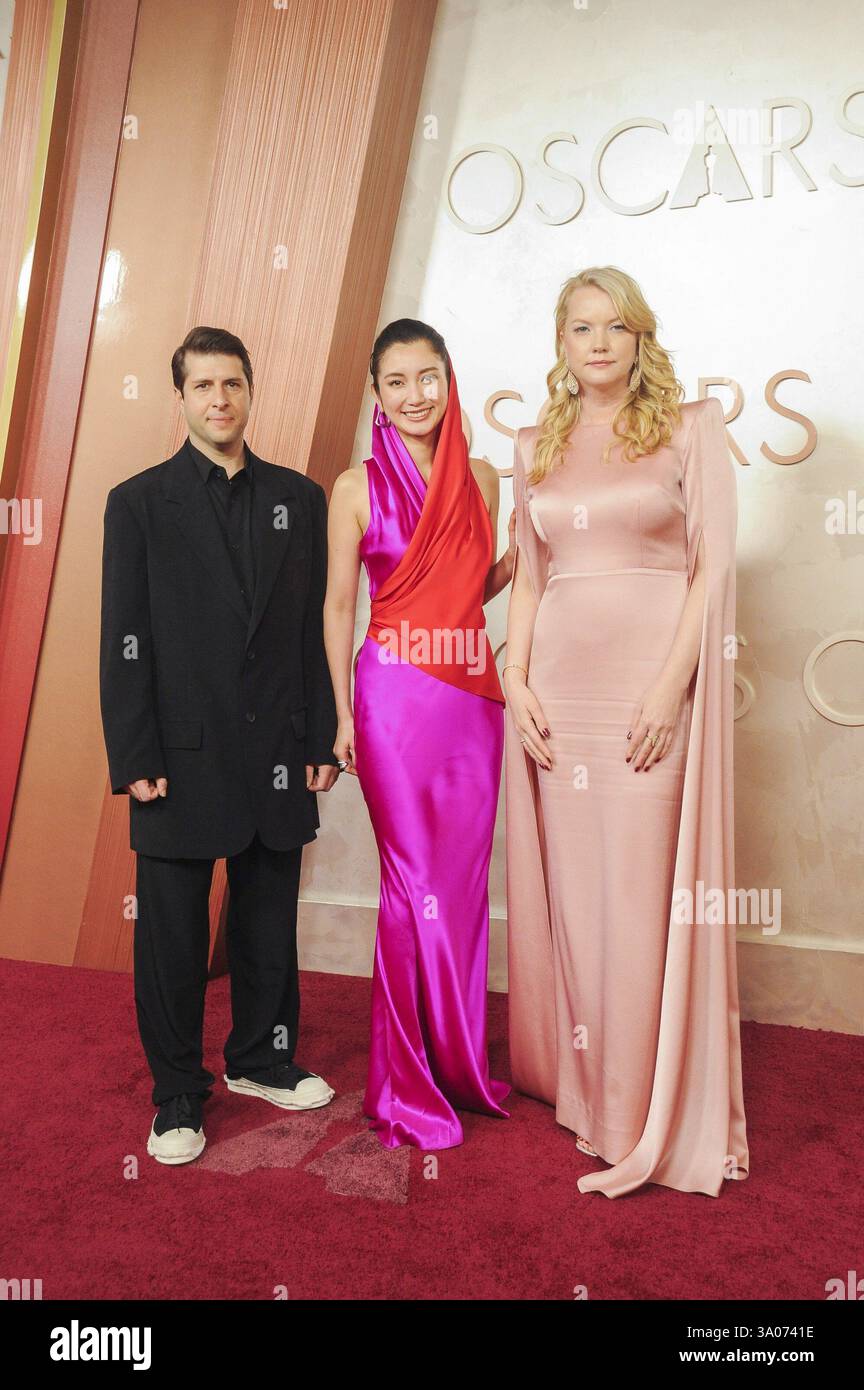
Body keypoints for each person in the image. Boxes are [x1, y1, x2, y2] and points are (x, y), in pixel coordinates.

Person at [504, 267, 749, 1197]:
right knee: (584, 896)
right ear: (561, 344)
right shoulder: (535, 443)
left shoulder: (692, 428)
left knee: (641, 895)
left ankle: (648, 1110)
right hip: (560, 693)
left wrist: (670, 686)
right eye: (580, 329)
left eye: (615, 327)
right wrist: (513, 675)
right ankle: (594, 1096)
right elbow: (530, 575)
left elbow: (711, 569)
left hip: (650, 688)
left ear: (641, 337)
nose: (599, 343)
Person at [99, 326, 339, 1165]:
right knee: (169, 935)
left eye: (231, 383)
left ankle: (263, 1058)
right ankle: (176, 1095)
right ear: (182, 398)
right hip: (177, 755)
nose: (219, 399)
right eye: (202, 386)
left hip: (277, 749)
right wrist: (134, 758)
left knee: (269, 920)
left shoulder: (298, 500)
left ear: (249, 390)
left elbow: (308, 633)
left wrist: (320, 739)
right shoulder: (136, 503)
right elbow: (122, 636)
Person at [324, 319, 514, 1148]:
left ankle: (457, 1062)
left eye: (427, 376)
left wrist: (536, 552)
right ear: (377, 393)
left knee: (462, 890)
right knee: (410, 885)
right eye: (396, 381)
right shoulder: (353, 486)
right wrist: (338, 714)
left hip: (471, 700)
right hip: (393, 700)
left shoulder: (484, 475)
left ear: (448, 377)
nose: (414, 395)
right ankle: (402, 1083)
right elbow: (337, 606)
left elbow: (480, 582)